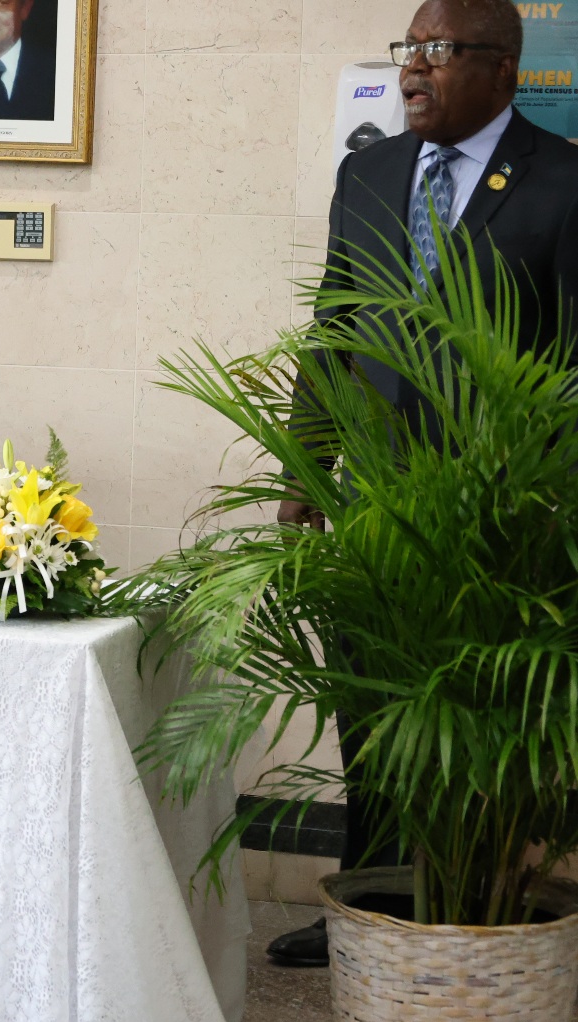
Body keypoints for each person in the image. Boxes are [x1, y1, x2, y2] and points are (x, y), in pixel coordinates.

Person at [268, 0, 578, 967]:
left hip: (501, 513)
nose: (412, 69)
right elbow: (334, 326)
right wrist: (305, 466)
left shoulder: (562, 180)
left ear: (503, 69)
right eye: (408, 49)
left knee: (477, 723)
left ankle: (472, 908)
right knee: (371, 712)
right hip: (375, 503)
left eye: (437, 51)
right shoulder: (366, 174)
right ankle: (367, 910)